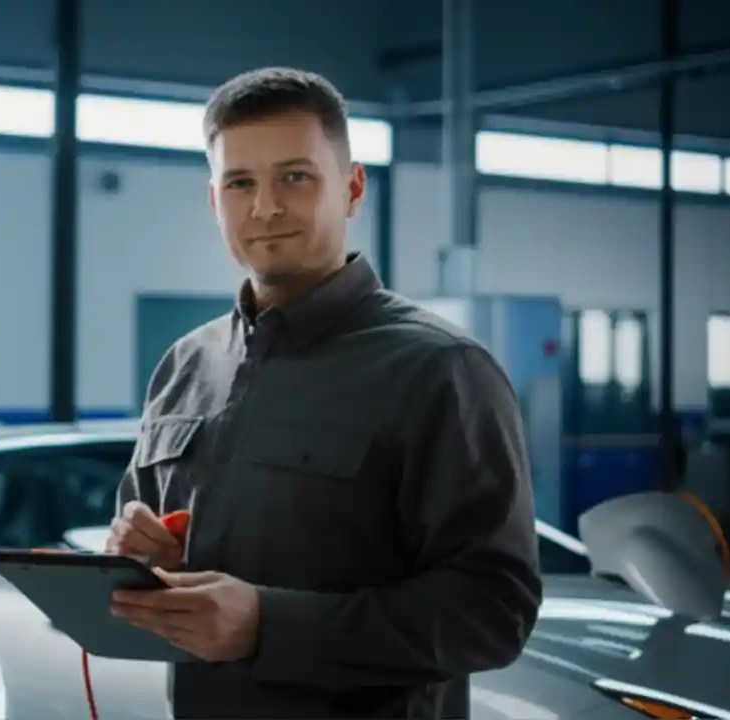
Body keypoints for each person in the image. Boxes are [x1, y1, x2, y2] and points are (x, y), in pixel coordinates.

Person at [104, 67, 542, 720]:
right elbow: (143, 536)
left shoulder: (440, 370)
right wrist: (138, 559)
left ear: (353, 187)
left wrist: (269, 625)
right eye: (240, 183)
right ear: (214, 200)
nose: (266, 207)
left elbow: (493, 610)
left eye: (296, 177)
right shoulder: (184, 365)